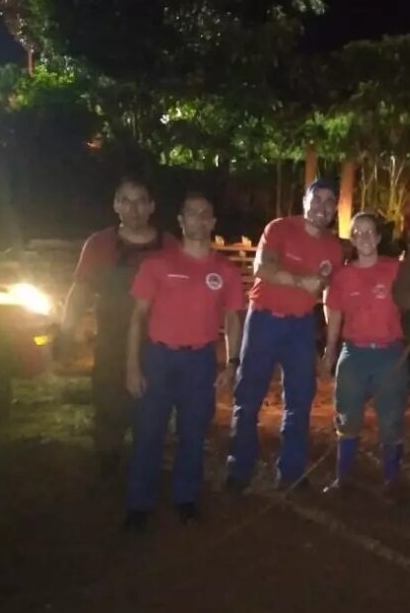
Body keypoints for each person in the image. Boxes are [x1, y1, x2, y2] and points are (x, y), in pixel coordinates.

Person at [123, 193, 244, 529]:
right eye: (192, 214)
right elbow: (137, 317)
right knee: (149, 432)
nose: (199, 220)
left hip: (200, 361)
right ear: (180, 220)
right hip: (159, 357)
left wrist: (233, 362)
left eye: (206, 214)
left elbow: (234, 318)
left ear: (213, 223)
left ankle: (185, 498)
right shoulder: (158, 263)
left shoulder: (225, 270)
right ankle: (139, 503)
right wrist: (132, 366)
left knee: (193, 433)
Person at [225, 179, 343, 493]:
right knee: (248, 396)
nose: (322, 206)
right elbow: (264, 267)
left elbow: (331, 295)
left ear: (335, 209)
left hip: (301, 326)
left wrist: (330, 346)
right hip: (264, 318)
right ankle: (239, 469)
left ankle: (290, 473)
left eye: (330, 201)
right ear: (304, 201)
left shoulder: (333, 247)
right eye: (316, 199)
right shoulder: (278, 229)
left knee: (300, 399)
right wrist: (301, 281)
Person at [59, 177, 179, 476]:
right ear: (116, 206)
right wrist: (66, 332)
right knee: (109, 403)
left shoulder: (169, 245)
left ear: (151, 206)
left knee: (153, 406)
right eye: (126, 200)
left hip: (157, 342)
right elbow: (80, 292)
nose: (133, 208)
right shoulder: (99, 244)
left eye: (140, 201)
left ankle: (148, 463)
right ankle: (107, 464)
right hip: (111, 340)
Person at [321, 212, 409, 500]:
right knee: (347, 418)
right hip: (354, 355)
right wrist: (330, 351)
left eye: (370, 231)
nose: (365, 237)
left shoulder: (397, 270)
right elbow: (334, 312)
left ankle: (391, 481)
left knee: (392, 420)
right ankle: (342, 478)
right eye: (358, 232)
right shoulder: (343, 276)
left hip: (389, 355)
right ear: (352, 239)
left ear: (379, 237)